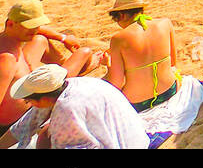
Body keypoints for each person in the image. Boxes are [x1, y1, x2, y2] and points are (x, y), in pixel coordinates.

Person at [1, 0, 105, 132]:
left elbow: (38, 31)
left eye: (36, 26)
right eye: (30, 27)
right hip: (19, 119)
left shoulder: (9, 39)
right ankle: (71, 74)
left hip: (27, 87)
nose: (35, 30)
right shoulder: (6, 59)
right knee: (84, 52)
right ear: (10, 24)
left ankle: (65, 69)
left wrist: (63, 38)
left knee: (40, 40)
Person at [0, 64, 147, 149]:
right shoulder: (73, 84)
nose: (30, 104)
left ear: (43, 98)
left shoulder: (67, 108)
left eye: (29, 101)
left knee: (44, 135)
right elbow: (24, 125)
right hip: (137, 138)